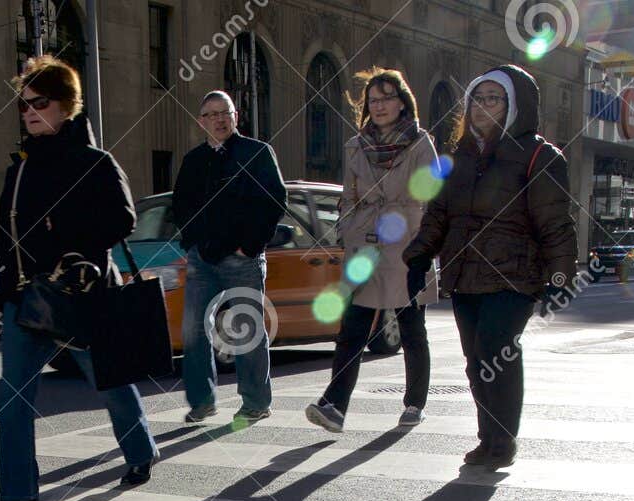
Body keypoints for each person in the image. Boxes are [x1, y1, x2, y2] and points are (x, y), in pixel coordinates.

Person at [0, 55, 159, 501]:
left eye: (38, 103)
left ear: (66, 105)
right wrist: (8, 290)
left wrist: (73, 246)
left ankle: (141, 451)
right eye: (23, 105)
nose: (28, 112)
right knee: (14, 395)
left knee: (111, 382)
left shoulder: (95, 161)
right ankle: (19, 489)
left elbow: (122, 218)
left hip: (84, 295)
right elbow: (8, 236)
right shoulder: (18, 169)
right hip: (28, 298)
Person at [402, 64, 575, 469]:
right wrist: (418, 256)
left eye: (493, 98)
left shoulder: (538, 155)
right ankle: (488, 437)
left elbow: (556, 222)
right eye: (476, 99)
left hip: (513, 276)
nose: (482, 107)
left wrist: (559, 277)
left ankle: (503, 440)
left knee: (495, 353)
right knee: (475, 360)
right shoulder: (459, 157)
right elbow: (438, 214)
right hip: (465, 276)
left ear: (516, 105)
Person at [306, 68, 436, 433]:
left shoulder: (420, 143)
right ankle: (334, 406)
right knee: (353, 328)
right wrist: (348, 227)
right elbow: (348, 196)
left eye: (386, 98)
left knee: (411, 327)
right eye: (373, 100)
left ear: (402, 102)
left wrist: (421, 241)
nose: (379, 106)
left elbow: (428, 195)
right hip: (364, 244)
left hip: (406, 244)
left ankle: (414, 403)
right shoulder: (355, 145)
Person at [170, 91, 287, 424]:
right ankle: (202, 401)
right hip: (201, 259)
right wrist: (192, 243)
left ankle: (255, 402)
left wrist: (249, 246)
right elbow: (180, 206)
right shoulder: (193, 160)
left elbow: (275, 202)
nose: (219, 120)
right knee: (193, 330)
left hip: (243, 259)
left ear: (236, 117)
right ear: (201, 121)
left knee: (248, 330)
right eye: (211, 115)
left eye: (225, 113)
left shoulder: (257, 152)